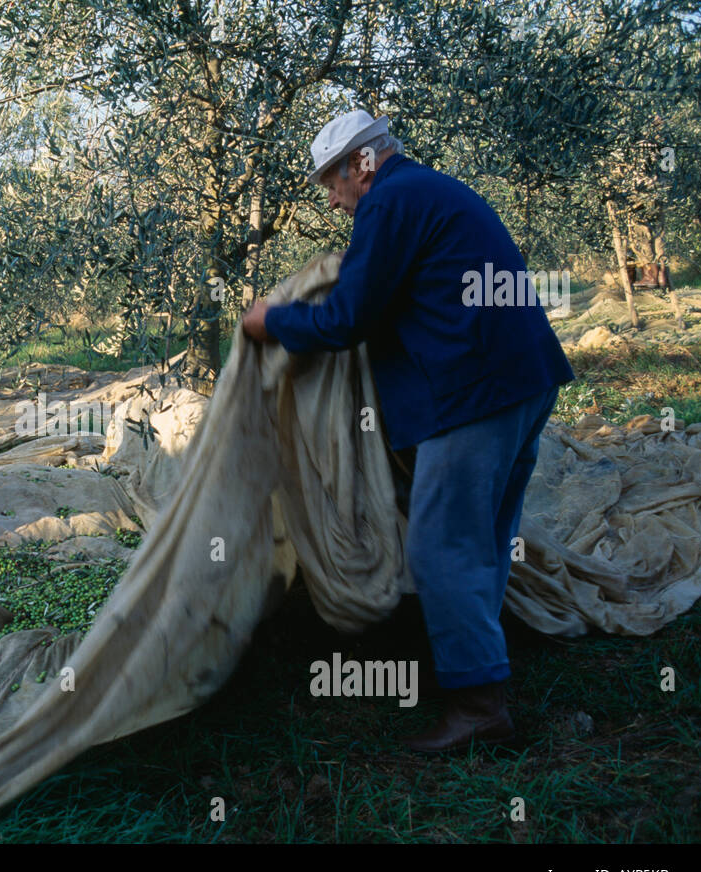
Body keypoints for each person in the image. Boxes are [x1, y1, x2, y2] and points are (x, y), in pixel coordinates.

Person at [241, 109, 576, 753]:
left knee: (439, 546)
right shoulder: (431, 190)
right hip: (522, 382)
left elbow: (348, 318)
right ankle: (480, 663)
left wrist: (272, 322)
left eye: (332, 183)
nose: (333, 200)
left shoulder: (389, 202)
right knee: (483, 537)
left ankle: (479, 708)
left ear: (360, 163)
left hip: (474, 393)